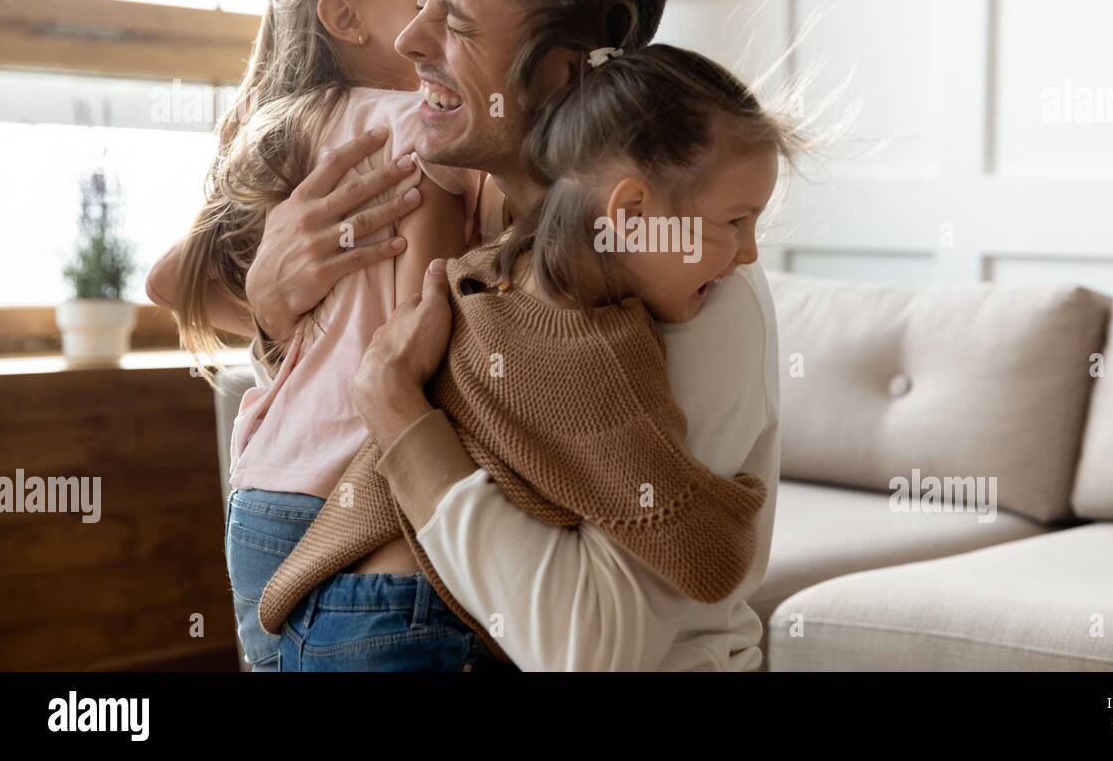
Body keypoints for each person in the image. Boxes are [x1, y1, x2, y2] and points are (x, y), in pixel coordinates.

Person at [158, 0, 785, 670]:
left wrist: (398, 413)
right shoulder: (443, 205)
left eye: (454, 21)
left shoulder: (688, 282)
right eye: (418, 1)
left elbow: (591, 650)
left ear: (568, 63)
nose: (412, 42)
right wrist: (272, 311)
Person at [258, 43, 810, 672]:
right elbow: (699, 551)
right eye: (736, 222)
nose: (748, 255)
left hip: (321, 605)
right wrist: (737, 513)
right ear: (632, 214)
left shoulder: (481, 276)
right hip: (413, 628)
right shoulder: (601, 358)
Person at [148, 0, 489, 670]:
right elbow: (419, 335)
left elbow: (170, 280)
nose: (445, 12)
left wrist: (285, 322)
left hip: (261, 496)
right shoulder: (423, 125)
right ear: (344, 15)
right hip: (359, 502)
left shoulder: (295, 125)